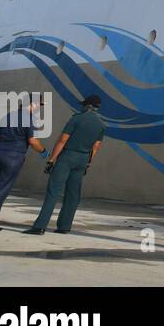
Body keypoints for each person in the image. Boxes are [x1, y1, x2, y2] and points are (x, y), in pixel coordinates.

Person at [24, 95, 106, 235]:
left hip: (67, 157)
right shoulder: (101, 124)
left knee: (53, 191)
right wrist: (88, 163)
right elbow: (96, 146)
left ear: (87, 105)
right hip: (83, 159)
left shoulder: (76, 119)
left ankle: (40, 226)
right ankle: (64, 227)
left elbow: (62, 140)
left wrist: (51, 160)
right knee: (73, 194)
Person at [0, 95, 47, 231]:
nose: (38, 108)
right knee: (1, 190)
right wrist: (43, 151)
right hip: (14, 157)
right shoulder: (28, 119)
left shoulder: (8, 116)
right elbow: (32, 141)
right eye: (38, 105)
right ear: (32, 104)